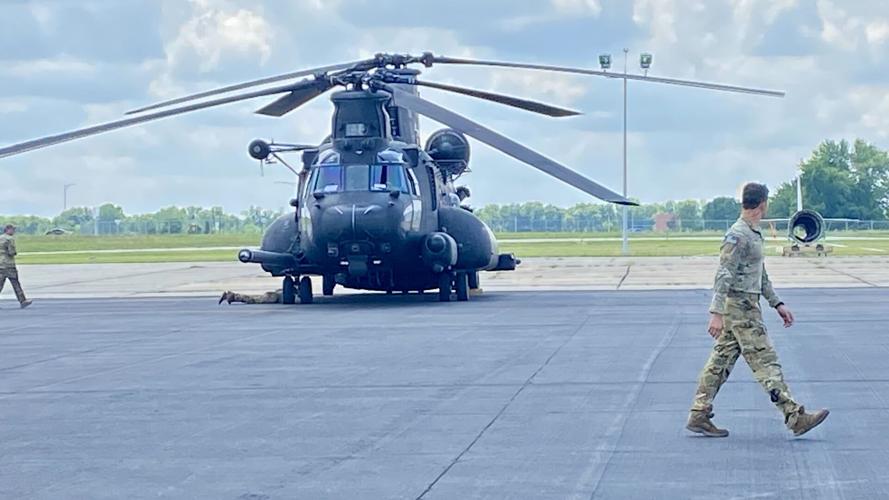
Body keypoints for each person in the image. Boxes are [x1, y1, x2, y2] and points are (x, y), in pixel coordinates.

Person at [687, 183, 828, 438]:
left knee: (720, 361)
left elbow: (759, 274)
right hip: (741, 308)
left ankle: (699, 412)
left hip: (745, 305)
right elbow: (724, 273)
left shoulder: (752, 233)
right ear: (763, 203)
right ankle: (794, 416)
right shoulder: (738, 234)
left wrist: (777, 303)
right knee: (765, 361)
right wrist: (716, 312)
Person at [1, 224, 32, 309]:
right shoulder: (9, 239)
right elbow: (12, 252)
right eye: (13, 229)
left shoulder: (0, 238)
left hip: (0, 265)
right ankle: (22, 300)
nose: (14, 231)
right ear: (8, 230)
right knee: (15, 283)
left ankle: (23, 300)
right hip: (8, 264)